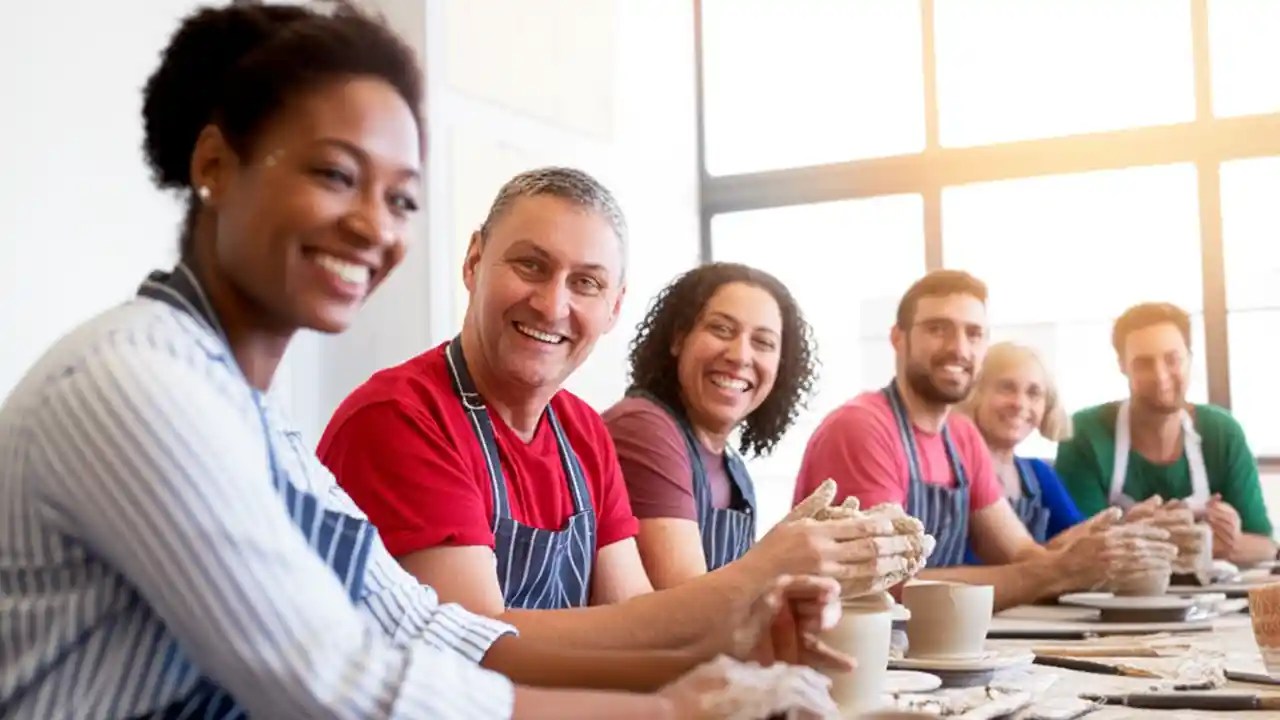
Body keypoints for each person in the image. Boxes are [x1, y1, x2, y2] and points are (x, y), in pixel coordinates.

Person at [0, 5, 844, 718]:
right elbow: (331, 678)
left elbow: (436, 632)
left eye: (400, 197)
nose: (373, 225)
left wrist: (725, 661)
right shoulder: (134, 384)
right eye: (336, 175)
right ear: (215, 166)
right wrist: (669, 704)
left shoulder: (257, 425)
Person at [318, 167, 926, 666]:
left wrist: (768, 621)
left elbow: (640, 619)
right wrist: (759, 576)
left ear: (613, 307)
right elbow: (477, 651)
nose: (553, 304)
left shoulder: (581, 431)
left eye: (585, 283)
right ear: (474, 262)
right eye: (530, 265)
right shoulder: (399, 418)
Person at [792, 270, 1174, 611]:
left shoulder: (961, 437)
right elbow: (891, 587)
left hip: (938, 653)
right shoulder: (863, 428)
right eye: (937, 329)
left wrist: (1108, 538)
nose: (958, 348)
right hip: (864, 664)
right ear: (898, 339)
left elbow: (1024, 555)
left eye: (973, 334)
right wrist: (1060, 570)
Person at [602, 262, 819, 588]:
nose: (740, 355)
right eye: (721, 329)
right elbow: (685, 602)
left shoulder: (734, 470)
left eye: (763, 342)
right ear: (678, 339)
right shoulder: (643, 428)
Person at [1055, 302, 1276, 565]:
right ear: (1122, 365)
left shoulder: (1222, 432)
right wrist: (1196, 539)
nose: (1160, 376)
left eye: (1172, 359)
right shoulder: (1084, 433)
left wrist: (1226, 535)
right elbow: (1074, 551)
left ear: (1190, 359)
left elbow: (1265, 546)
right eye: (1143, 363)